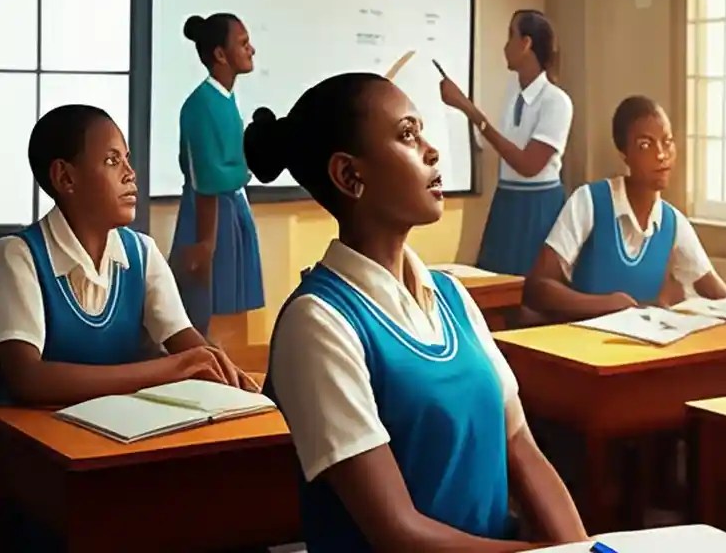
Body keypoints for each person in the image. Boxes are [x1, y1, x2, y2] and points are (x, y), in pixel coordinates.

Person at [248, 73, 585, 552]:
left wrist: (576, 548)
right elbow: (398, 534)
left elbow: (521, 450)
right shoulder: (318, 323)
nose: (432, 151)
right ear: (349, 176)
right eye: (408, 135)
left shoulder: (453, 297)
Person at [0, 105, 257, 407]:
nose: (130, 174)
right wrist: (176, 367)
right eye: (112, 160)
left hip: (118, 437)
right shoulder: (19, 255)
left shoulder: (142, 253)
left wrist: (230, 380)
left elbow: (190, 349)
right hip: (38, 445)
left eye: (127, 160)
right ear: (65, 178)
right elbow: (27, 379)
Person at [525, 96, 726, 321]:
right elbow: (537, 288)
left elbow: (719, 295)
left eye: (667, 142)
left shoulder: (673, 222)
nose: (661, 154)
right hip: (584, 345)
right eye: (645, 145)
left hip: (639, 349)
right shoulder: (589, 202)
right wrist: (606, 304)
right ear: (624, 153)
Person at [440, 9, 573, 276]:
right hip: (507, 201)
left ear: (526, 43)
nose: (505, 46)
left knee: (530, 289)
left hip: (538, 208)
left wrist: (468, 109)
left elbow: (528, 164)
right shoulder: (513, 90)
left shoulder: (556, 102)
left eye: (511, 36)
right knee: (494, 282)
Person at [171, 12, 265, 337]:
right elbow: (205, 180)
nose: (251, 49)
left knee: (232, 309)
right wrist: (207, 242)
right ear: (220, 54)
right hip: (210, 217)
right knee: (207, 309)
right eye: (243, 43)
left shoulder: (225, 97)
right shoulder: (199, 105)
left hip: (232, 208)